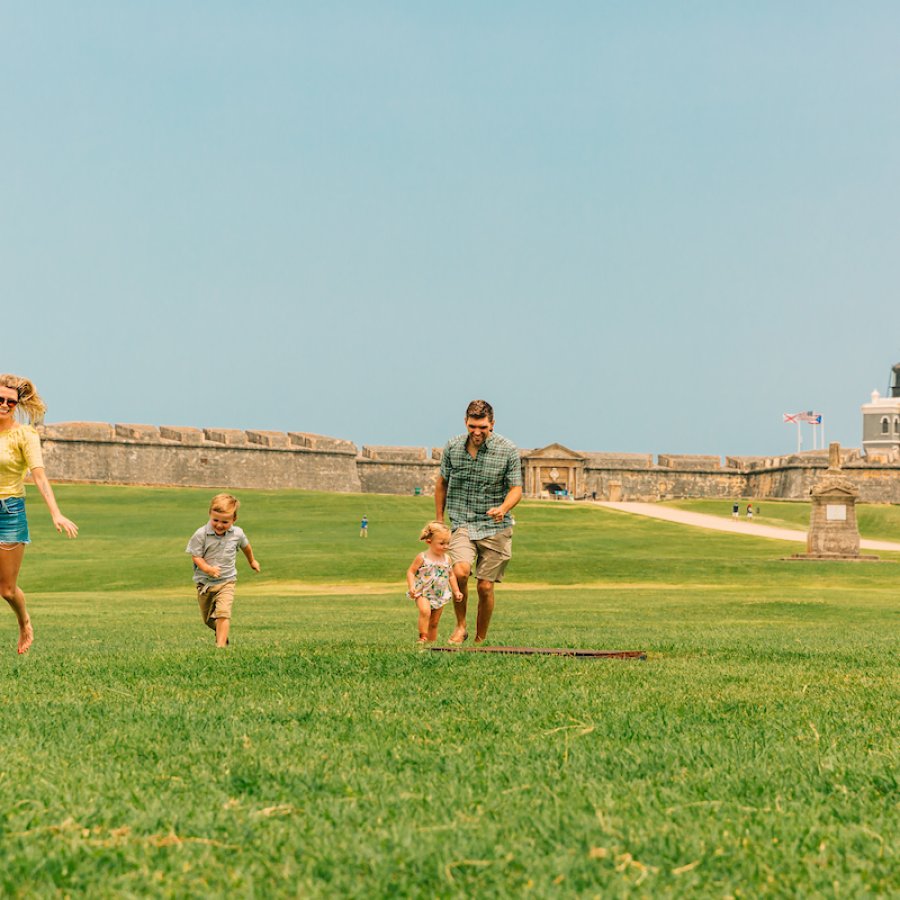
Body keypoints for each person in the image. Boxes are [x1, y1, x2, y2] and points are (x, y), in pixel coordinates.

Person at [0, 375, 78, 653]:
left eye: (11, 401)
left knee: (7, 590)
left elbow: (39, 477)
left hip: (10, 511)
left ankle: (24, 622)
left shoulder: (25, 435)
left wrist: (56, 514)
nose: (5, 405)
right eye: (0, 399)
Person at [435, 399, 523, 645]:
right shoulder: (452, 447)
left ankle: (479, 640)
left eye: (482, 427)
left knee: (485, 587)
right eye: (472, 426)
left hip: (495, 526)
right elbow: (442, 483)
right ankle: (460, 626)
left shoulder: (507, 450)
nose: (477, 432)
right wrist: (440, 520)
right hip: (462, 521)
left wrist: (504, 508)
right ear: (466, 422)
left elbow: (516, 489)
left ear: (492, 425)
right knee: (460, 571)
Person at [186, 493, 260, 648]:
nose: (219, 525)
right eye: (215, 520)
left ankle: (221, 647)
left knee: (223, 613)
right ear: (209, 515)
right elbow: (196, 556)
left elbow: (246, 547)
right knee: (208, 620)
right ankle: (222, 634)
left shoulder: (237, 534)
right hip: (205, 584)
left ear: (234, 519)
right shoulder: (201, 534)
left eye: (225, 522)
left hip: (227, 581)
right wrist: (208, 569)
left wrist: (252, 561)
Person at [405, 521, 463, 644]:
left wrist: (457, 591)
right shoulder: (422, 557)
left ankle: (431, 645)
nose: (446, 546)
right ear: (429, 541)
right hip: (423, 592)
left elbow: (451, 575)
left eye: (448, 543)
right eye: (442, 543)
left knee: (434, 622)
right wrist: (411, 587)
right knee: (425, 611)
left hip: (440, 594)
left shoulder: (447, 558)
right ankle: (422, 637)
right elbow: (410, 572)